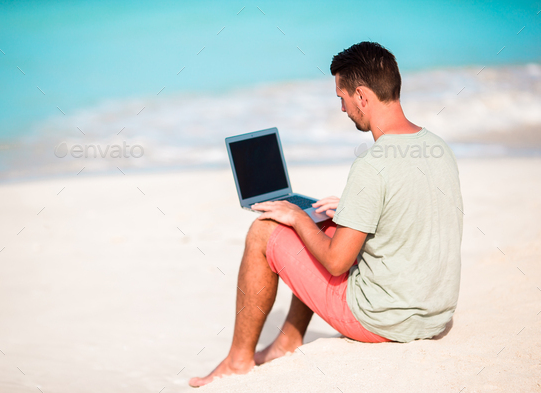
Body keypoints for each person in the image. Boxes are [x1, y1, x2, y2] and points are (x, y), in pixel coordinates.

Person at [189, 41, 463, 387]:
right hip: (434, 316)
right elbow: (410, 209)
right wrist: (349, 209)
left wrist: (297, 217)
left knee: (263, 230)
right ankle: (287, 340)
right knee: (330, 222)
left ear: (362, 96)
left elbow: (336, 263)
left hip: (384, 321)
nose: (344, 108)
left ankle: (238, 361)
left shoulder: (372, 165)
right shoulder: (438, 147)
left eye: (342, 98)